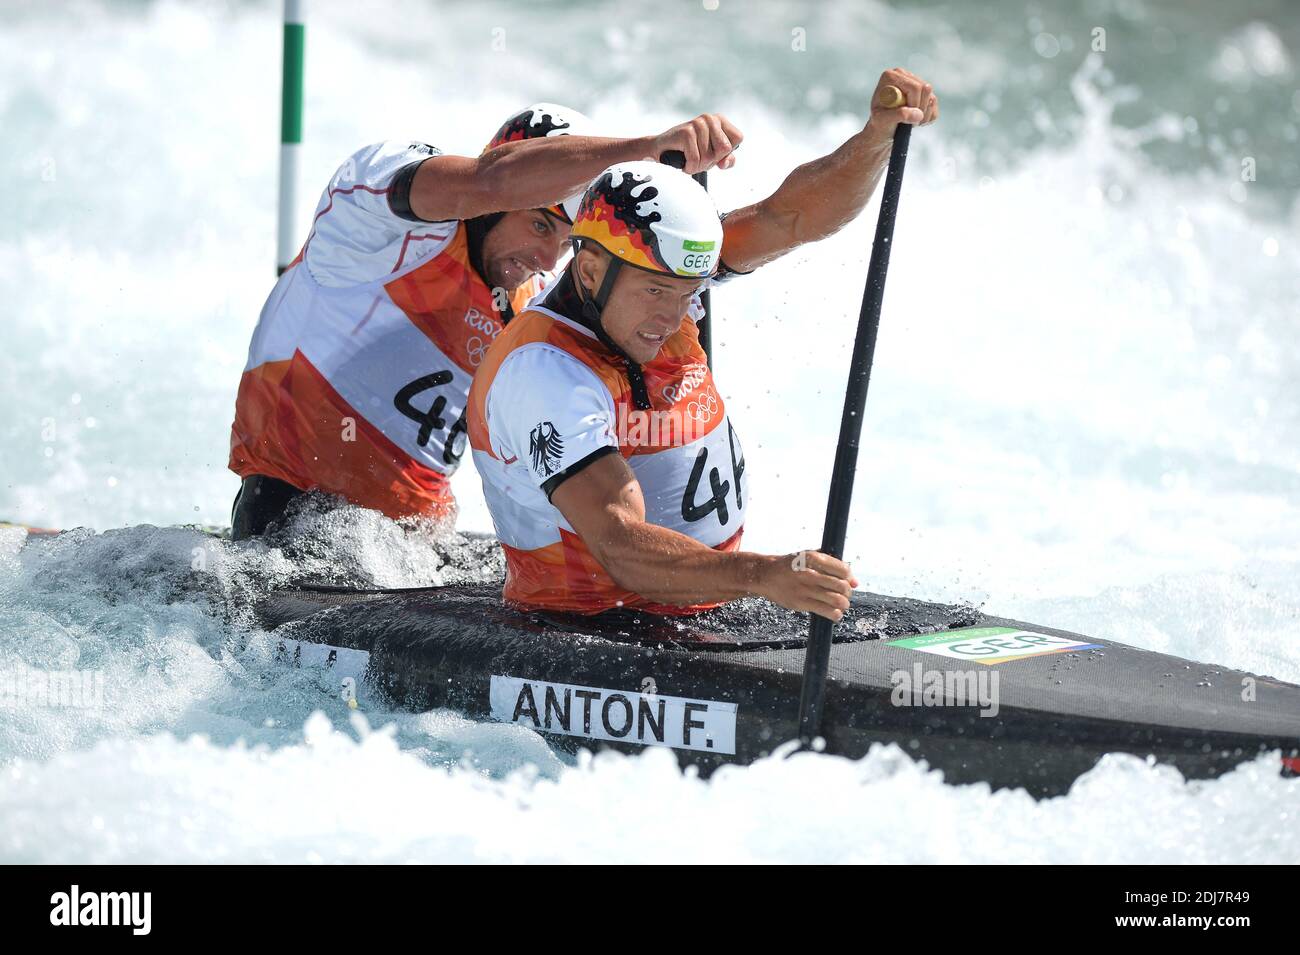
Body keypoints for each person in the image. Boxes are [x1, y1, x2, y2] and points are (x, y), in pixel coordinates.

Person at [467, 70, 938, 620]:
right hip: (594, 628)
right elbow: (621, 543)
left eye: (690, 293)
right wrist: (764, 575)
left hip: (709, 605)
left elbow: (788, 217)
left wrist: (877, 137)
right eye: (657, 293)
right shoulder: (543, 371)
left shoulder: (648, 276)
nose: (674, 317)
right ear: (590, 272)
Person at [228, 103, 744, 539]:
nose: (546, 259)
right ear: (494, 206)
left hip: (409, 544)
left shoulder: (540, 301)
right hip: (288, 510)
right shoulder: (377, 225)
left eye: (566, 243)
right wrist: (646, 149)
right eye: (540, 225)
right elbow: (492, 178)